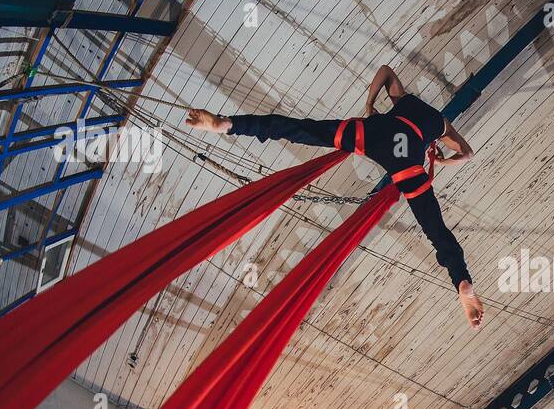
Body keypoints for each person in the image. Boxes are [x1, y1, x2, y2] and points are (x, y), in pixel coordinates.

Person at [185, 65, 483, 328]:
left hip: (377, 130)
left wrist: (369, 105)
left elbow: (385, 72)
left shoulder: (410, 103)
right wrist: (442, 161)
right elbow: (466, 154)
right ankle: (461, 280)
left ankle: (228, 124)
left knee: (302, 129)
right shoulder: (439, 123)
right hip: (409, 161)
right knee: (435, 229)